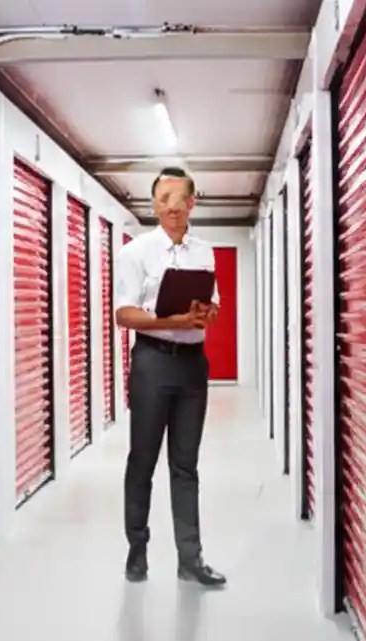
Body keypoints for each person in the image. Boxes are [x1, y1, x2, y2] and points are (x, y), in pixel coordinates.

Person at [114, 166, 226, 588]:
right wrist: (169, 320)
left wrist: (205, 315)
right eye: (163, 200)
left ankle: (190, 558)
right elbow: (125, 314)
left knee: (185, 465)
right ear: (154, 204)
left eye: (180, 200)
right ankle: (137, 550)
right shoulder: (136, 252)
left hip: (192, 365)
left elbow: (211, 306)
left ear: (193, 202)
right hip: (152, 363)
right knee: (142, 459)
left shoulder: (204, 251)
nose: (172, 208)